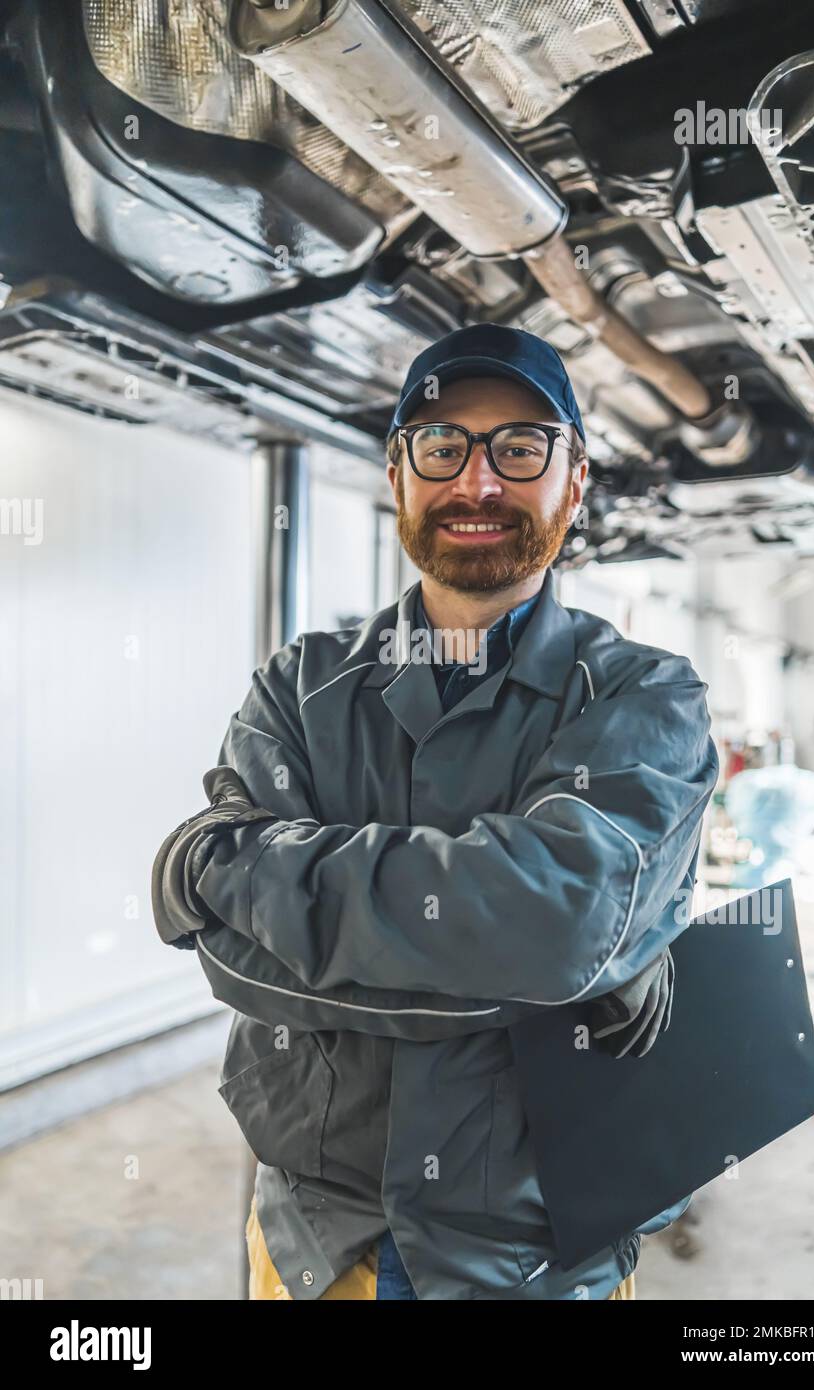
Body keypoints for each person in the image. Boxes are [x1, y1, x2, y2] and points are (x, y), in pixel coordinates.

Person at [152, 323, 720, 1300]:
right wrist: (567, 977)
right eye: (442, 445)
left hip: (542, 1256)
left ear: (573, 479)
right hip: (320, 1241)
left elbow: (556, 926)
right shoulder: (300, 690)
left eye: (519, 446)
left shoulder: (643, 699)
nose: (479, 481)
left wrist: (254, 886)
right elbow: (229, 959)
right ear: (397, 473)